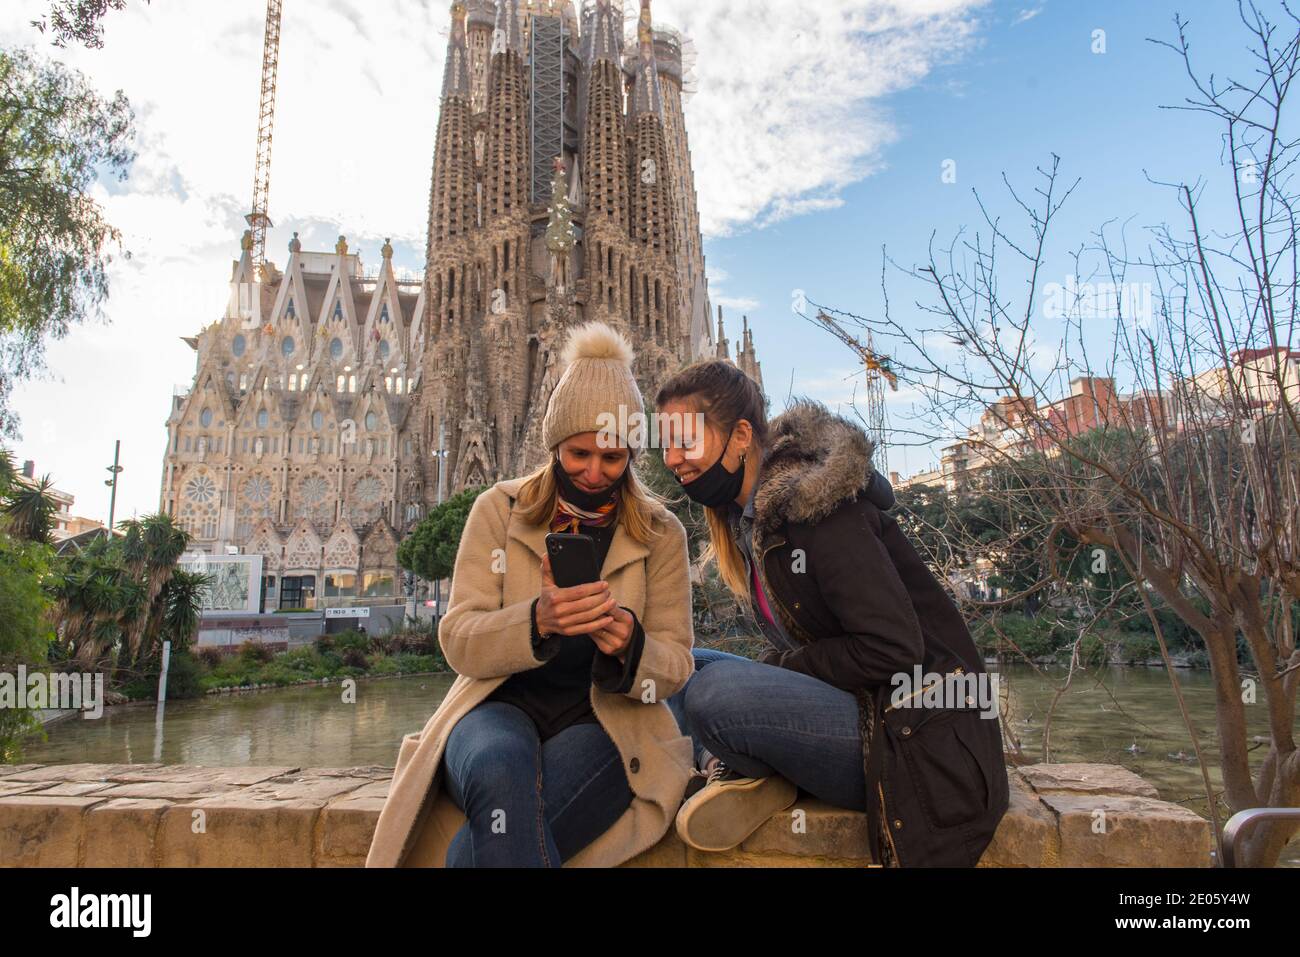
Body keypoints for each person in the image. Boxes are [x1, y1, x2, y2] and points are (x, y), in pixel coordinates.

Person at [365, 322, 695, 868]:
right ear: (554, 444)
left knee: (482, 847)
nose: (594, 472)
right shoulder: (499, 510)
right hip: (497, 706)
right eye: (579, 453)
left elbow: (677, 666)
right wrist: (537, 622)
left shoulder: (660, 534)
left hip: (605, 719)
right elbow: (459, 640)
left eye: (612, 458)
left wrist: (631, 648)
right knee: (499, 768)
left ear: (632, 455)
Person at [655, 359, 1009, 867]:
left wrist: (782, 671)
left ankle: (744, 768)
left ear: (739, 436)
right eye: (664, 443)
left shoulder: (819, 511)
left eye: (685, 441)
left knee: (715, 692)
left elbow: (894, 648)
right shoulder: (750, 519)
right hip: (863, 708)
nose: (672, 459)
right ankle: (737, 771)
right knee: (681, 665)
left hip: (917, 738)